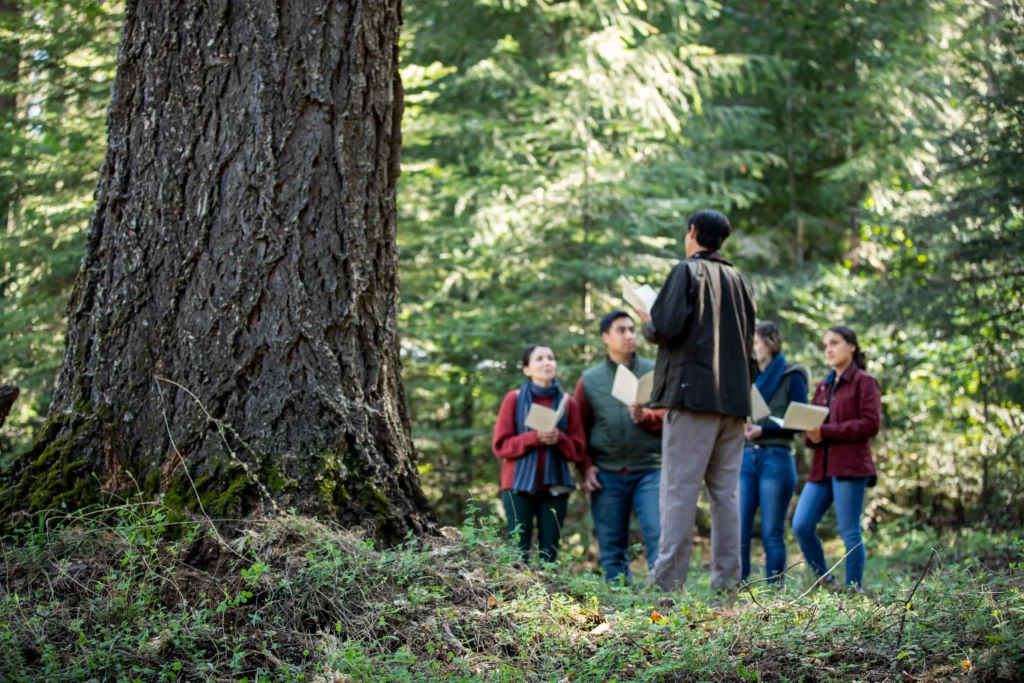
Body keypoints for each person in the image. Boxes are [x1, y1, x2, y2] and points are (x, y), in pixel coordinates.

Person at [637, 209, 758, 591]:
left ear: (692, 233)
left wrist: (646, 318)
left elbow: (665, 328)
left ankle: (666, 591)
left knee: (678, 492)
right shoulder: (742, 281)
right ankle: (727, 590)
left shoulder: (686, 272)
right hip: (735, 405)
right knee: (726, 495)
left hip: (692, 401)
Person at [574, 311, 665, 583]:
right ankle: (618, 604)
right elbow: (579, 428)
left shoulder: (654, 371)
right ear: (605, 337)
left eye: (632, 330)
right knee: (611, 545)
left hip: (651, 468)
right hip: (607, 472)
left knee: (660, 537)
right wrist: (586, 468)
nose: (629, 335)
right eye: (621, 330)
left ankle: (665, 600)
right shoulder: (590, 380)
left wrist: (646, 417)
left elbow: (672, 416)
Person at [792, 325, 881, 591]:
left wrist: (826, 431)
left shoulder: (864, 381)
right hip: (821, 469)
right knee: (801, 525)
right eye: (825, 345)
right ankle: (825, 580)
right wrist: (812, 435)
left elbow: (870, 424)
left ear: (852, 346)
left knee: (849, 531)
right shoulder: (823, 386)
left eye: (834, 343)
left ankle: (854, 588)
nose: (828, 349)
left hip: (851, 467)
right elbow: (813, 433)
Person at [492, 344, 586, 563]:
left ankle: (549, 597)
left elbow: (578, 451)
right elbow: (501, 446)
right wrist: (533, 438)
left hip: (556, 487)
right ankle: (517, 596)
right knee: (518, 550)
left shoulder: (568, 403)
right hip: (517, 485)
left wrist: (559, 439)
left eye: (551, 358)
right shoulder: (514, 399)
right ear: (527, 369)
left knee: (549, 553)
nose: (547, 363)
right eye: (540, 359)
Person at [741, 321, 809, 584]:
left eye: (755, 342)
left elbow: (800, 421)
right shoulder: (748, 375)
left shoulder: (792, 375)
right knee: (741, 529)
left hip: (777, 458)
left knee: (772, 531)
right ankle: (738, 587)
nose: (752, 348)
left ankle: (774, 589)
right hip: (746, 456)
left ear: (770, 342)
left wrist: (764, 430)